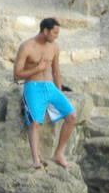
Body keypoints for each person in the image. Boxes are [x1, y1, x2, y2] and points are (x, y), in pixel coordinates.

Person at [13, 17, 75, 170]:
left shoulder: (54, 47)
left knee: (71, 116)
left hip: (50, 86)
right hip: (33, 86)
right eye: (54, 32)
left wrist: (59, 91)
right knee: (35, 123)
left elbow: (55, 71)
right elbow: (16, 75)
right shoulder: (26, 47)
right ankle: (36, 160)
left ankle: (58, 153)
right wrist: (38, 69)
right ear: (45, 31)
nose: (56, 36)